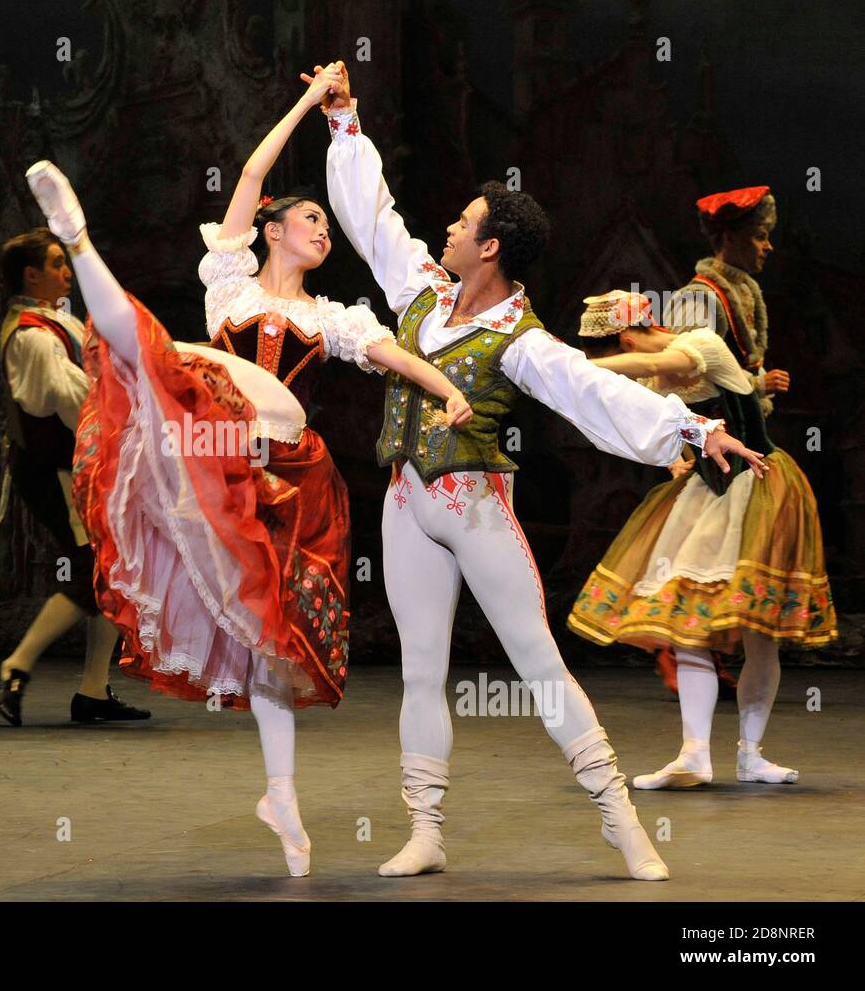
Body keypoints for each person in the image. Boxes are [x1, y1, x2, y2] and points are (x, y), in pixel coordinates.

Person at [320, 62, 765, 881]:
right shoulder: (420, 294)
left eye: (463, 224)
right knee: (421, 670)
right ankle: (425, 829)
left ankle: (623, 823)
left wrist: (693, 426)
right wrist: (346, 124)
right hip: (407, 503)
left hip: (475, 509)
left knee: (539, 665)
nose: (447, 229)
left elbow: (591, 391)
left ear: (490, 247)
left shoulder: (520, 338)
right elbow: (374, 222)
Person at [25, 63, 471, 877]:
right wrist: (309, 100)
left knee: (273, 643)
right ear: (272, 229)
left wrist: (450, 392)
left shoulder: (332, 317)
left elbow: (395, 358)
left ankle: (282, 796)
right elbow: (255, 173)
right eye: (311, 218)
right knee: (147, 345)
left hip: (286, 474)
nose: (323, 230)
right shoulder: (229, 284)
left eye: (326, 223)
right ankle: (78, 241)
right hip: (218, 444)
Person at [569, 290, 835, 789]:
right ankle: (694, 755)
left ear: (626, 340)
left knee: (758, 632)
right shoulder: (648, 376)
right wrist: (676, 460)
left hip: (759, 487)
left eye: (607, 353)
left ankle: (751, 755)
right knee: (686, 621)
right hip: (705, 494)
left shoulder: (700, 344)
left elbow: (662, 364)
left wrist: (577, 368)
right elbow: (656, 428)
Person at [0, 228, 151, 726]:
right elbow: (68, 400)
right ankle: (13, 666)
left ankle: (93, 691)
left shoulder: (56, 321)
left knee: (112, 568)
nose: (66, 272)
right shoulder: (33, 335)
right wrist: (124, 426)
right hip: (56, 468)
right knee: (96, 569)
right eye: (56, 263)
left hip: (77, 465)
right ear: (31, 275)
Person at [651, 186, 789, 694]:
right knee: (704, 551)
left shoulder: (741, 290)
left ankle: (701, 650)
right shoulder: (700, 297)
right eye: (759, 236)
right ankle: (679, 648)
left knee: (725, 553)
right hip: (713, 444)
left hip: (740, 439)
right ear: (729, 237)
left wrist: (756, 384)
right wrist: (686, 447)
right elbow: (682, 376)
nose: (767, 246)